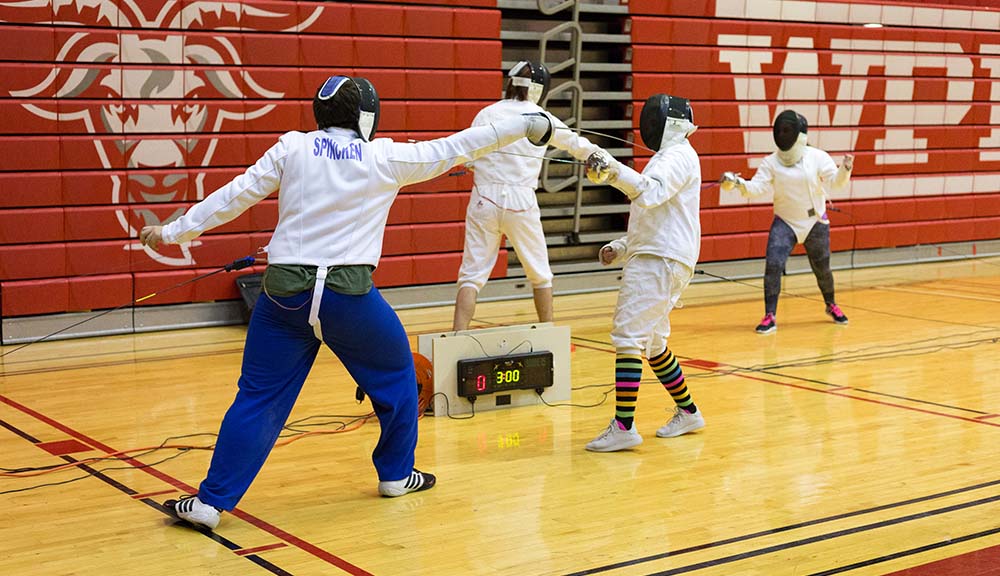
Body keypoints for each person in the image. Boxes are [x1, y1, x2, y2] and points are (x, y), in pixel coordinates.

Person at [139, 74, 555, 529]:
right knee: (398, 375)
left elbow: (234, 196)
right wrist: (526, 124)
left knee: (257, 398)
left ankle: (210, 503)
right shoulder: (384, 156)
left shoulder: (293, 147)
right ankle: (396, 475)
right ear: (366, 116)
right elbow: (457, 147)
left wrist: (171, 231)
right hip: (348, 301)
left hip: (283, 301)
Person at [581, 94, 705, 452]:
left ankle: (624, 426)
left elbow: (648, 195)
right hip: (659, 255)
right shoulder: (667, 159)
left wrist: (613, 171)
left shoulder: (678, 156)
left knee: (627, 338)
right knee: (652, 343)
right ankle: (689, 411)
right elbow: (654, 215)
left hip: (659, 261)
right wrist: (621, 247)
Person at [452, 60, 600, 331]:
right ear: (538, 89)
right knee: (540, 275)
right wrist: (597, 157)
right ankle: (548, 332)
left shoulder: (486, 113)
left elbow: (468, 154)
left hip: (484, 199)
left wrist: (476, 166)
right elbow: (576, 144)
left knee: (471, 276)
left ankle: (457, 335)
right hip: (521, 203)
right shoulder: (542, 117)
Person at [720, 110, 854, 334]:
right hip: (786, 222)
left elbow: (836, 183)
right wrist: (737, 183)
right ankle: (769, 316)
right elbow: (757, 188)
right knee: (773, 265)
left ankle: (831, 304)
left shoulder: (818, 157)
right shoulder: (771, 162)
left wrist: (845, 169)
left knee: (822, 269)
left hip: (814, 222)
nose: (784, 134)